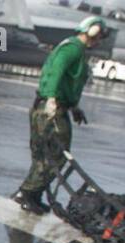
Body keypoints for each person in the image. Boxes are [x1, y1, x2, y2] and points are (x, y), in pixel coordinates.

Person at [12, 15, 108, 215]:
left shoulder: (75, 48)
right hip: (50, 109)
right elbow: (57, 71)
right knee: (56, 154)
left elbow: (67, 80)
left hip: (52, 106)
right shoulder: (72, 48)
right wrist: (52, 99)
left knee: (44, 154)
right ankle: (26, 193)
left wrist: (73, 106)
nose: (99, 40)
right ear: (92, 30)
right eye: (99, 34)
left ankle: (33, 195)